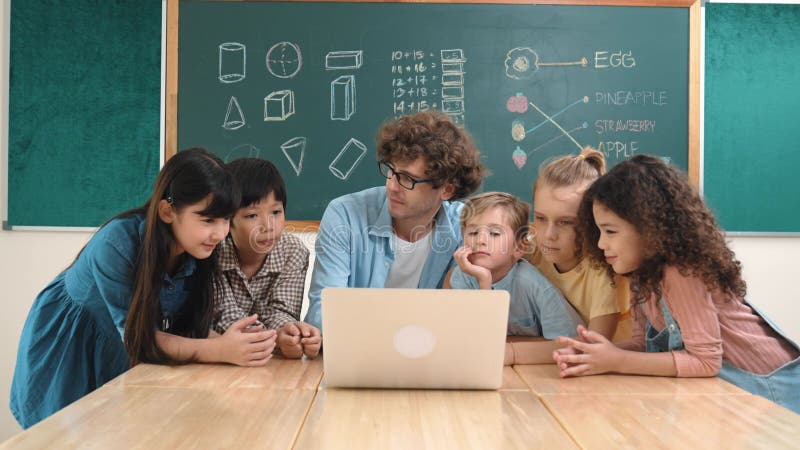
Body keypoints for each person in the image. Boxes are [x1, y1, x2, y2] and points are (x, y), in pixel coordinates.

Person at [10, 148, 277, 429]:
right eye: (208, 220)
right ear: (167, 211)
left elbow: (185, 328)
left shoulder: (198, 249)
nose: (220, 233)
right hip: (72, 346)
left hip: (128, 345)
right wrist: (221, 350)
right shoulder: (117, 242)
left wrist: (233, 344)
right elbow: (140, 338)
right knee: (62, 435)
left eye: (225, 220)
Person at [553, 154, 800, 413]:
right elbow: (642, 347)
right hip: (733, 396)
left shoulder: (680, 272)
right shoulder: (641, 274)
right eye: (599, 231)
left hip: (774, 396)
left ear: (650, 230)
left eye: (611, 231)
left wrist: (615, 360)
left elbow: (706, 362)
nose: (601, 243)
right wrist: (595, 355)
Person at [304, 111, 486, 330]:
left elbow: (471, 318)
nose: (391, 185)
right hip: (358, 355)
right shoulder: (344, 214)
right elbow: (322, 314)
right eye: (391, 171)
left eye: (407, 179)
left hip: (429, 356)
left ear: (446, 189)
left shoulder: (468, 226)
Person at [444, 192, 582, 365]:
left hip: (532, 368)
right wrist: (484, 281)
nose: (480, 240)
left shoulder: (534, 285)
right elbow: (471, 338)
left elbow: (570, 344)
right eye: (473, 232)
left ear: (518, 247)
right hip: (481, 364)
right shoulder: (461, 277)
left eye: (494, 234)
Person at [213, 158, 319, 359]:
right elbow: (224, 315)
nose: (268, 226)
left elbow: (282, 311)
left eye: (276, 212)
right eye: (252, 215)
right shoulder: (212, 252)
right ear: (227, 219)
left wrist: (290, 332)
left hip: (266, 362)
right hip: (217, 360)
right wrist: (274, 337)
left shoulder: (293, 252)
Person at [527, 147, 631, 341]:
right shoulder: (529, 252)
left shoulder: (607, 268)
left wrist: (512, 352)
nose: (549, 235)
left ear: (593, 221)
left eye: (565, 222)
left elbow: (590, 345)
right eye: (540, 218)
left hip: (611, 368)